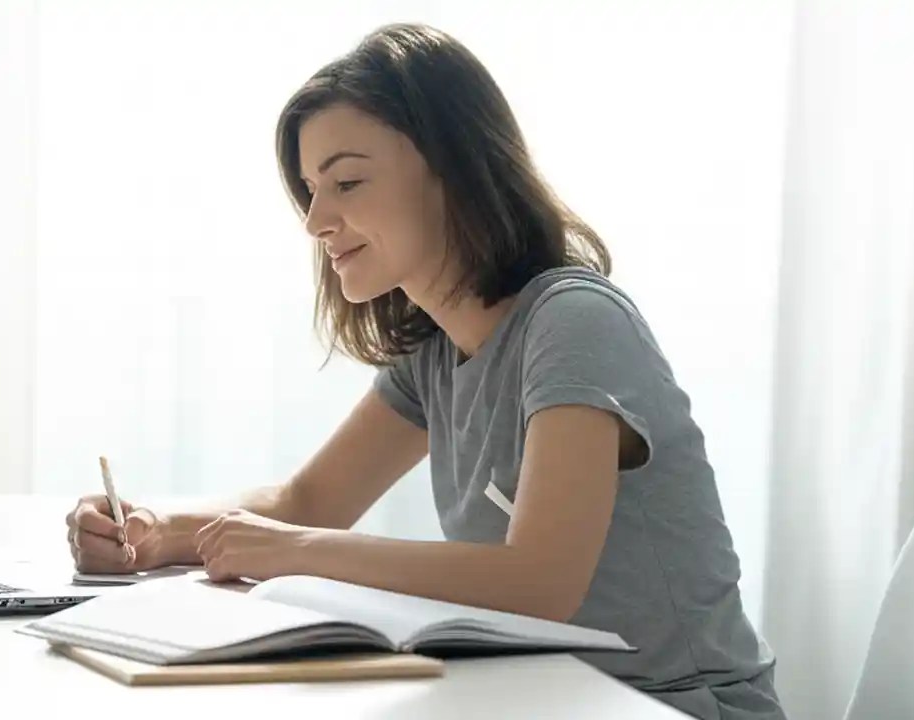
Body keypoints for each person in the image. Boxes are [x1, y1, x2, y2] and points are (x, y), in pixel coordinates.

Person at [65, 22, 785, 719]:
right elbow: (308, 500)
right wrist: (156, 531)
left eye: (347, 182)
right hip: (547, 699)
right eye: (311, 190)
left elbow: (540, 582)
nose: (315, 221)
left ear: (455, 170)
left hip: (674, 705)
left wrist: (297, 554)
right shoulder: (435, 353)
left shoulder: (575, 322)